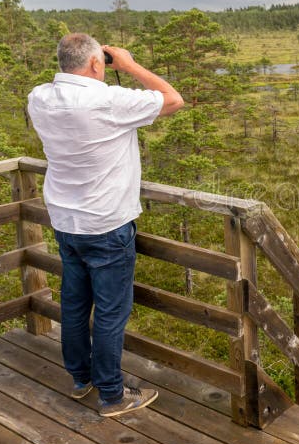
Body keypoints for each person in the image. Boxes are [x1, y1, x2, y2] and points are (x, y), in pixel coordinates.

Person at [28, 33, 184, 417]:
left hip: (66, 221)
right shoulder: (108, 100)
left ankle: (82, 380)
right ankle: (112, 395)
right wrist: (128, 65)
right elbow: (173, 99)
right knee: (112, 312)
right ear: (98, 64)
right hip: (107, 223)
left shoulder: (39, 97)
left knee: (76, 305)